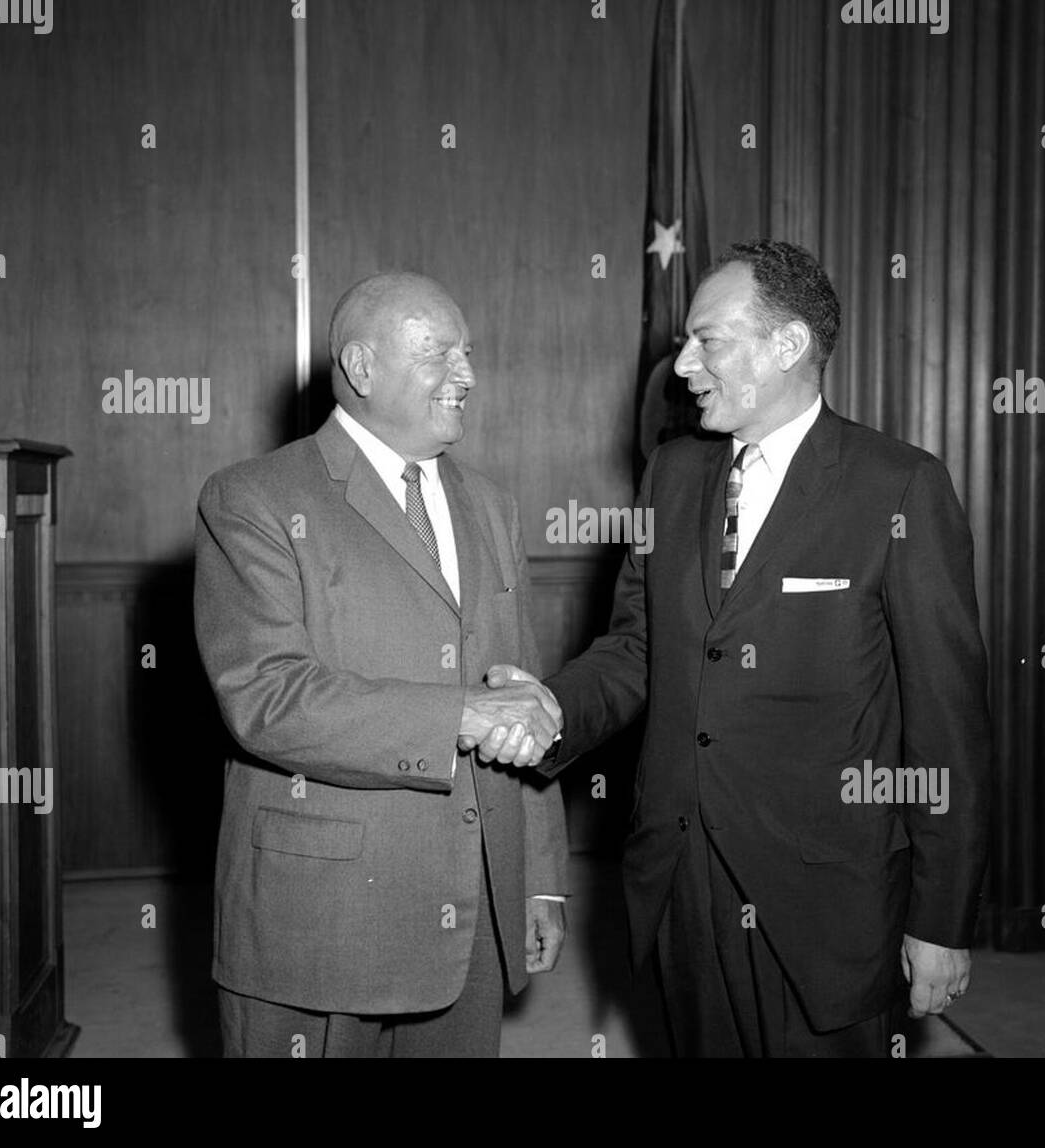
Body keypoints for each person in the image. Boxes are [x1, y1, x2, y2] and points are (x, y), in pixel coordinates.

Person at [475, 239, 992, 1057]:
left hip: (828, 901)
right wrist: (552, 704)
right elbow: (639, 648)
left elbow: (948, 722)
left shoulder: (898, 487)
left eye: (707, 340)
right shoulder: (672, 476)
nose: (682, 365)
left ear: (786, 346)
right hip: (681, 883)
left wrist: (940, 918)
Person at [193, 271, 568, 1058]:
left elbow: (519, 694)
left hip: (472, 919)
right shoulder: (253, 499)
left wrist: (537, 878)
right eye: (439, 355)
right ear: (362, 369)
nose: (467, 375)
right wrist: (459, 714)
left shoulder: (491, 505)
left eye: (469, 353)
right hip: (322, 927)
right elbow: (266, 697)